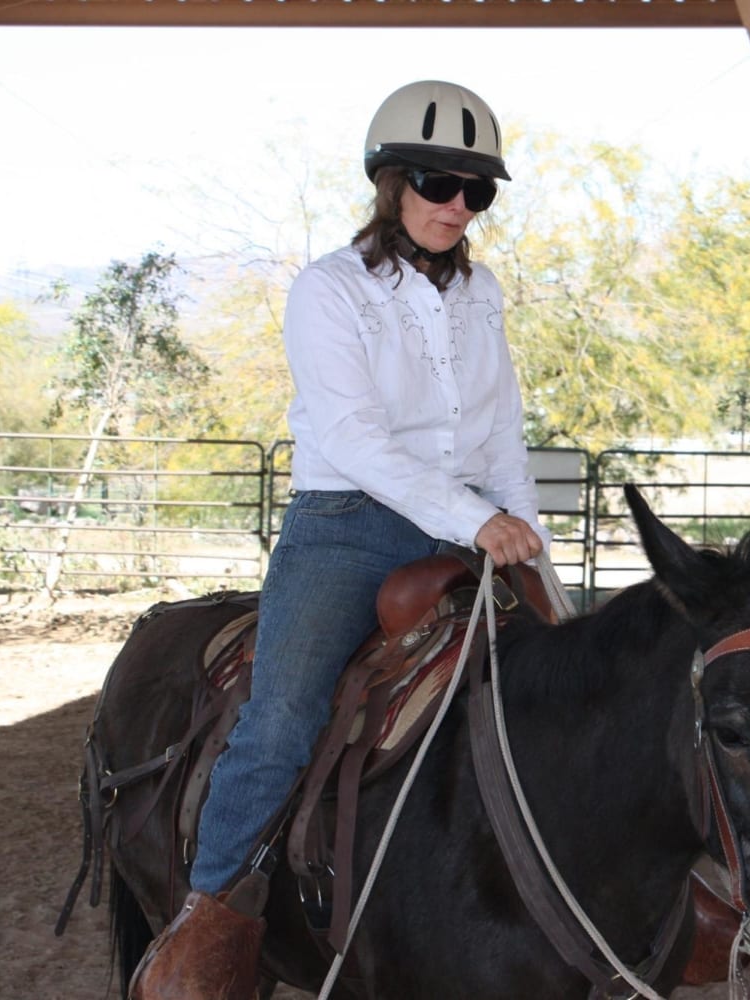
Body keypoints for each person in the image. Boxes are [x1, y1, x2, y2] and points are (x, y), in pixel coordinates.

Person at [130, 80, 548, 1000]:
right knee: (282, 719)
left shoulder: (482, 293)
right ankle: (209, 925)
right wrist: (477, 519)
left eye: (478, 190)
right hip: (348, 527)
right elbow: (354, 438)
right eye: (439, 183)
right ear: (391, 184)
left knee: (572, 686)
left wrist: (532, 548)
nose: (457, 206)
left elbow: (503, 437)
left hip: (467, 526)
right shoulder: (329, 290)